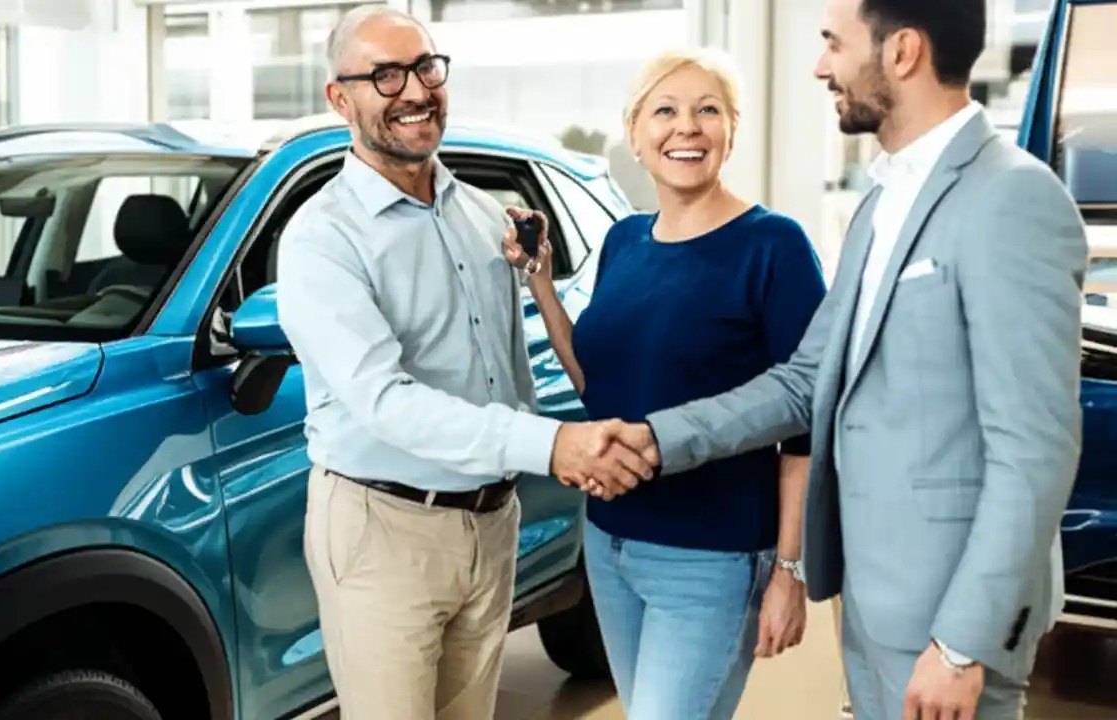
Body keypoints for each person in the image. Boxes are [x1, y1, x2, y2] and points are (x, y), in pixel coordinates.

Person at [608, 0, 1088, 718]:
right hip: (875, 604)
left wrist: (964, 643)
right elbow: (805, 382)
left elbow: (1035, 452)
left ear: (901, 53)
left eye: (835, 44)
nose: (821, 66)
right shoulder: (881, 202)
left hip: (948, 623)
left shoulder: (1013, 197)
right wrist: (655, 438)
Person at [273, 5, 655, 719]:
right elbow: (385, 402)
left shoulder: (484, 215)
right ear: (339, 98)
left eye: (425, 67)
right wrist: (554, 444)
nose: (415, 90)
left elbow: (506, 371)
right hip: (385, 528)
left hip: (491, 523)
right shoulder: (322, 240)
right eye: (384, 75)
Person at [502, 48, 826, 719]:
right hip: (610, 544)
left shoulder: (775, 246)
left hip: (711, 555)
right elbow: (598, 380)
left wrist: (789, 571)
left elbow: (807, 424)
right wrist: (540, 280)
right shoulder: (624, 241)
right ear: (635, 133)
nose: (688, 128)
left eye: (709, 110)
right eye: (666, 110)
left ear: (731, 131)